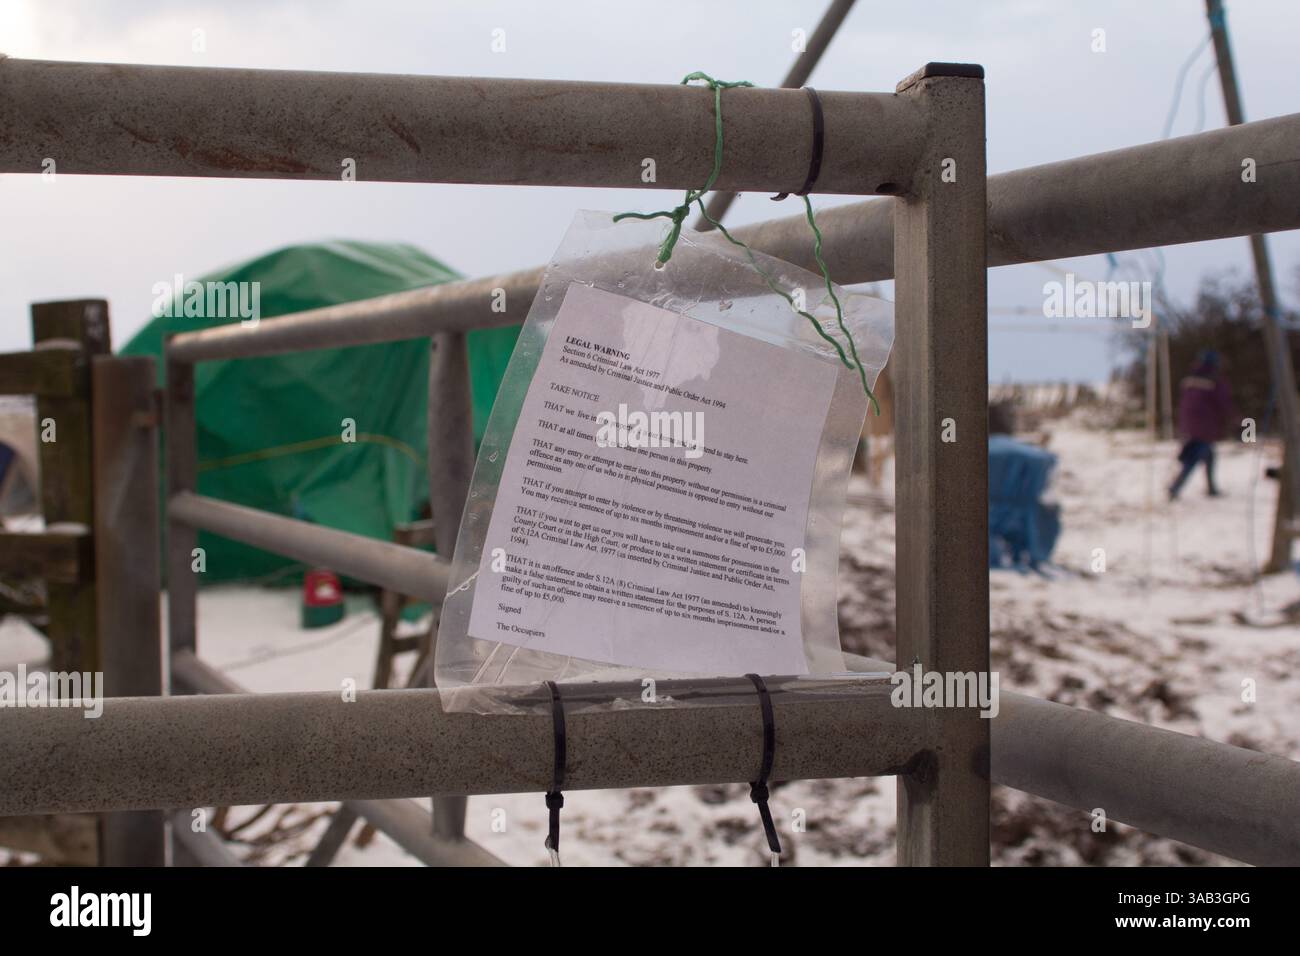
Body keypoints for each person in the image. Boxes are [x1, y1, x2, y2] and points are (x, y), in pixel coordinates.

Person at [1169, 349, 1234, 500]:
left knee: (1209, 455)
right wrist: (1239, 420)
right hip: (1205, 427)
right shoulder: (1215, 381)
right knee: (1193, 458)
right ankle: (1175, 488)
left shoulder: (1189, 379)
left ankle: (1211, 487)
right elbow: (1225, 404)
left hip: (1188, 425)